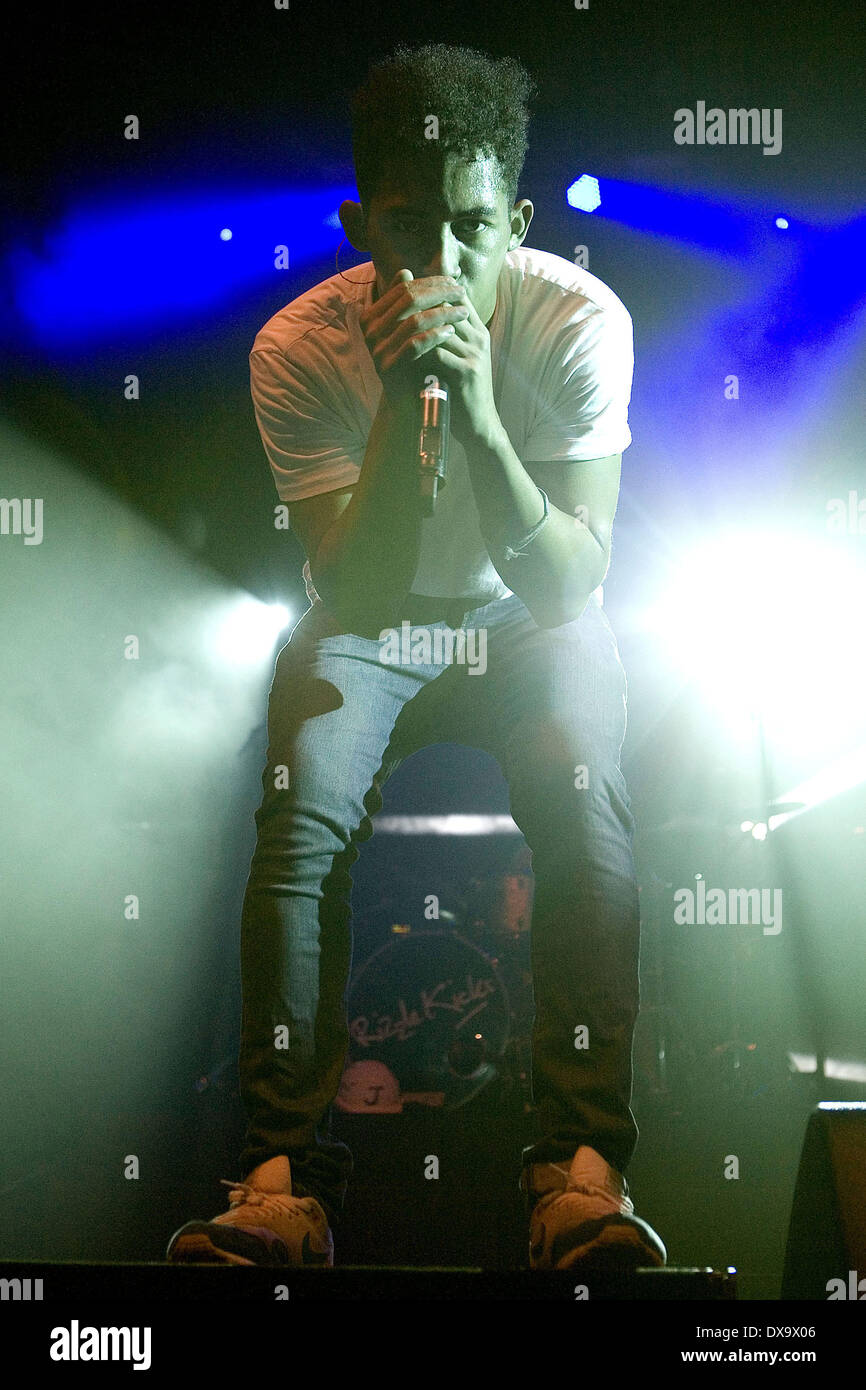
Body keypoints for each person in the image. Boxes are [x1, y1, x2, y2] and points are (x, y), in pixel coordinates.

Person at [167, 42, 666, 1274]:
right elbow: (358, 583)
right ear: (356, 222)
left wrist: (481, 415)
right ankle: (281, 1185)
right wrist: (406, 401)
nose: (440, 265)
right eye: (406, 227)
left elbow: (567, 577)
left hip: (523, 611)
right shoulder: (298, 347)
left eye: (473, 226)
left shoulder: (576, 321)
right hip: (373, 613)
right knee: (301, 820)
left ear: (520, 220)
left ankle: (580, 1177)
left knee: (584, 796)